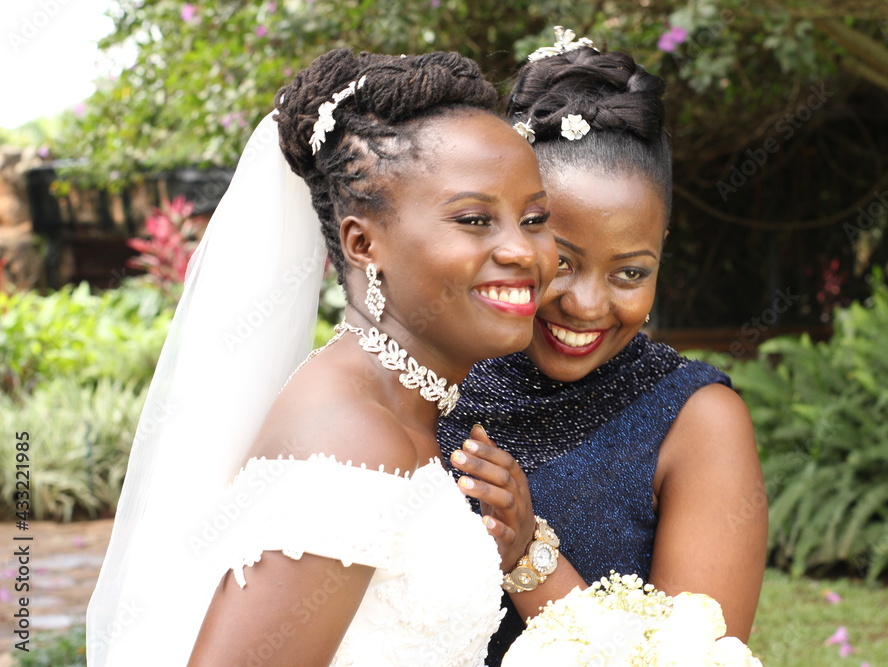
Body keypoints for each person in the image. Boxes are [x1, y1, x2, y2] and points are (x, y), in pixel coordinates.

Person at [87, 48, 557, 666]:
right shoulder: (354, 438)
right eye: (475, 219)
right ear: (362, 243)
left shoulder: (389, 406)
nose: (522, 251)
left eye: (534, 219)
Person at [439, 29, 767, 665]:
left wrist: (529, 554)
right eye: (560, 263)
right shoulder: (432, 377)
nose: (587, 306)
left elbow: (691, 660)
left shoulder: (697, 423)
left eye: (630, 273)